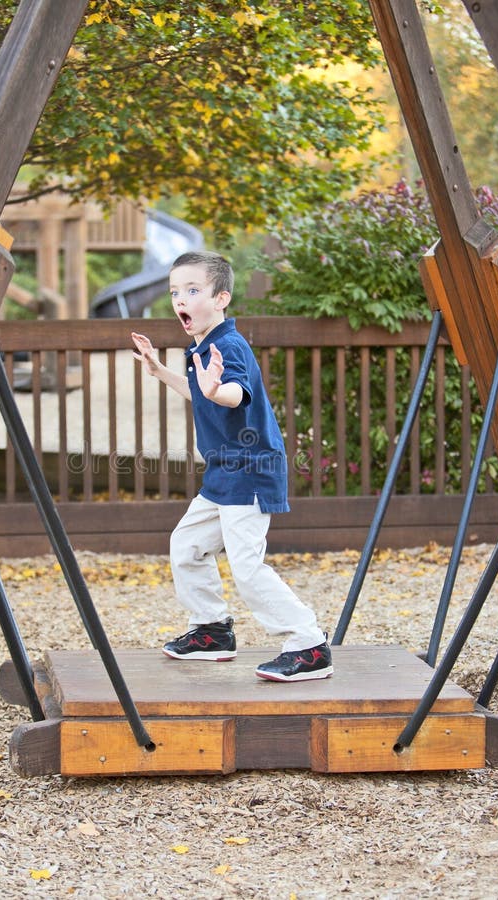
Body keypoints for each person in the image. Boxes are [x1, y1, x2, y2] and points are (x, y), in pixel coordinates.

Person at [131, 250, 332, 682]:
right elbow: (200, 391)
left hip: (251, 469)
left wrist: (217, 388)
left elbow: (235, 395)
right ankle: (212, 631)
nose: (180, 299)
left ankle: (309, 645)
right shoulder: (201, 346)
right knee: (186, 545)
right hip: (225, 471)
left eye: (192, 290)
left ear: (221, 298)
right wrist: (159, 370)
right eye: (174, 292)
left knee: (247, 566)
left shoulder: (227, 345)